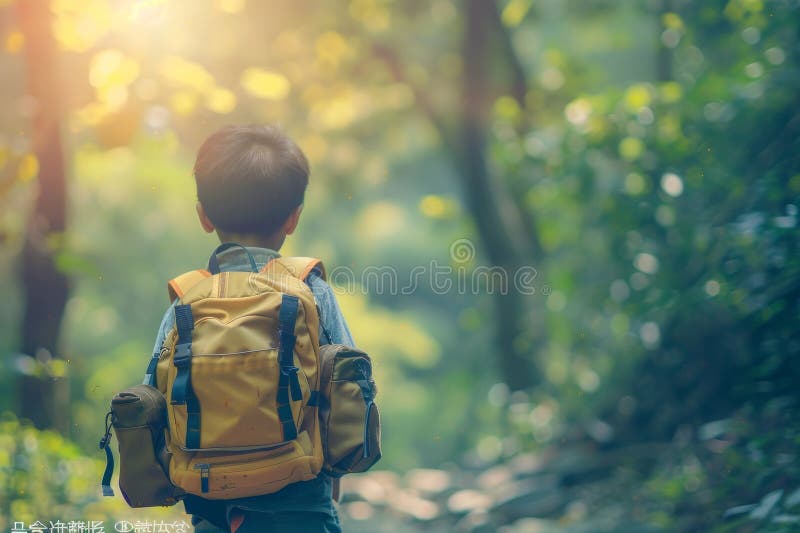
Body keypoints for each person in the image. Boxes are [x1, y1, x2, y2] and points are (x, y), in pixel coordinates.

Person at [145, 124, 352, 533]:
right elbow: (347, 390)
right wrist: (334, 477)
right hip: (303, 504)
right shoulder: (311, 290)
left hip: (212, 508)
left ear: (204, 216)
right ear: (293, 218)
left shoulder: (186, 300)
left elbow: (153, 395)